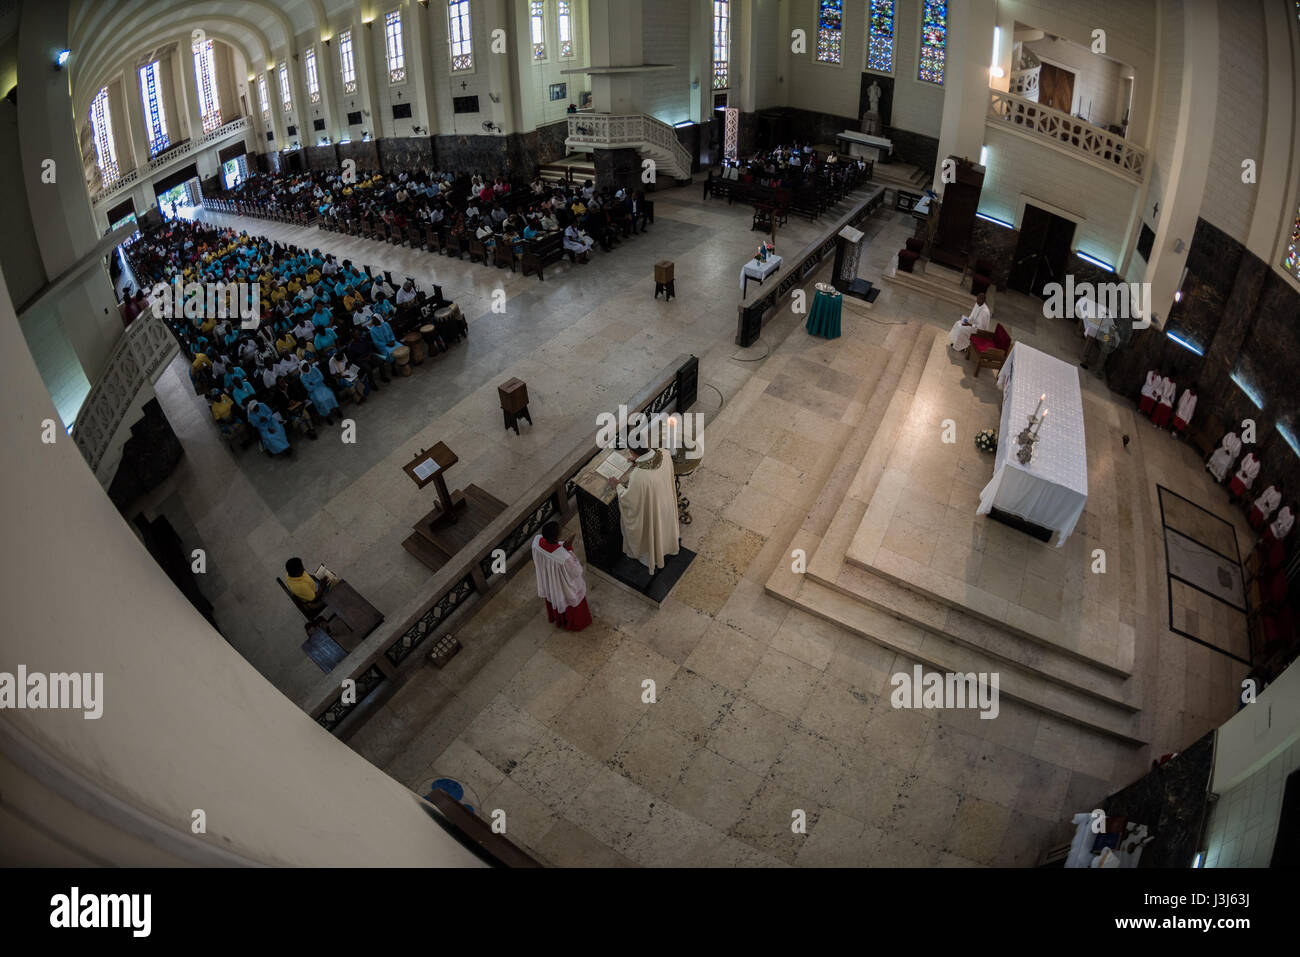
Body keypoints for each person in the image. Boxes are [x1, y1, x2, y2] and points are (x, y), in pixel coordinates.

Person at [613, 444, 681, 572]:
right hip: (666, 504)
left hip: (654, 512)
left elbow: (630, 500)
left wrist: (617, 486)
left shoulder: (638, 475)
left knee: (653, 532)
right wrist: (638, 462)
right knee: (664, 529)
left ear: (632, 452)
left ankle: (652, 557)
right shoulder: (664, 454)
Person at [530, 520, 593, 632]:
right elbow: (576, 571)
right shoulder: (564, 557)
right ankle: (575, 624)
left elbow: (546, 554)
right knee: (572, 597)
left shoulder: (536, 541)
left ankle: (559, 620)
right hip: (562, 585)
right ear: (557, 536)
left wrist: (562, 546)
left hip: (549, 579)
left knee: (555, 596)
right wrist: (568, 548)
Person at [300, 358, 340, 423]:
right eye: (303, 367)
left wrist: (313, 382)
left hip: (322, 387)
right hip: (314, 392)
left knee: (330, 395)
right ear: (302, 369)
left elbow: (321, 377)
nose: (306, 368)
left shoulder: (314, 369)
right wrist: (316, 381)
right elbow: (309, 388)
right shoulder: (303, 377)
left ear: (308, 364)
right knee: (321, 401)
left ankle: (338, 410)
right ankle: (327, 416)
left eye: (306, 365)